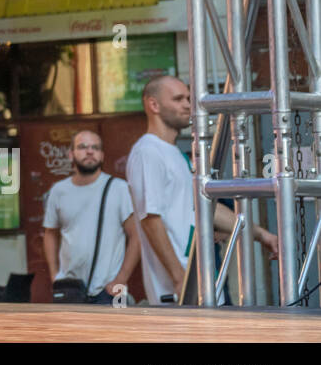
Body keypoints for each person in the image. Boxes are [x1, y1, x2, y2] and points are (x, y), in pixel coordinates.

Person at [127, 75, 278, 304]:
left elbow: (209, 210)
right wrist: (180, 278)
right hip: (181, 292)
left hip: (203, 282)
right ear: (153, 105)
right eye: (178, 99)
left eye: (188, 98)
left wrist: (262, 235)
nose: (188, 104)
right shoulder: (147, 151)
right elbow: (150, 218)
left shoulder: (176, 154)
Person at [42, 130, 139, 304]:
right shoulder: (58, 191)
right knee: (69, 332)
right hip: (69, 288)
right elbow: (50, 233)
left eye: (95, 147)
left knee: (112, 332)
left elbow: (137, 236)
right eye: (82, 147)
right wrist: (54, 274)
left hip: (109, 291)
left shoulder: (119, 189)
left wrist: (121, 278)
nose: (89, 151)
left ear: (101, 156)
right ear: (71, 155)